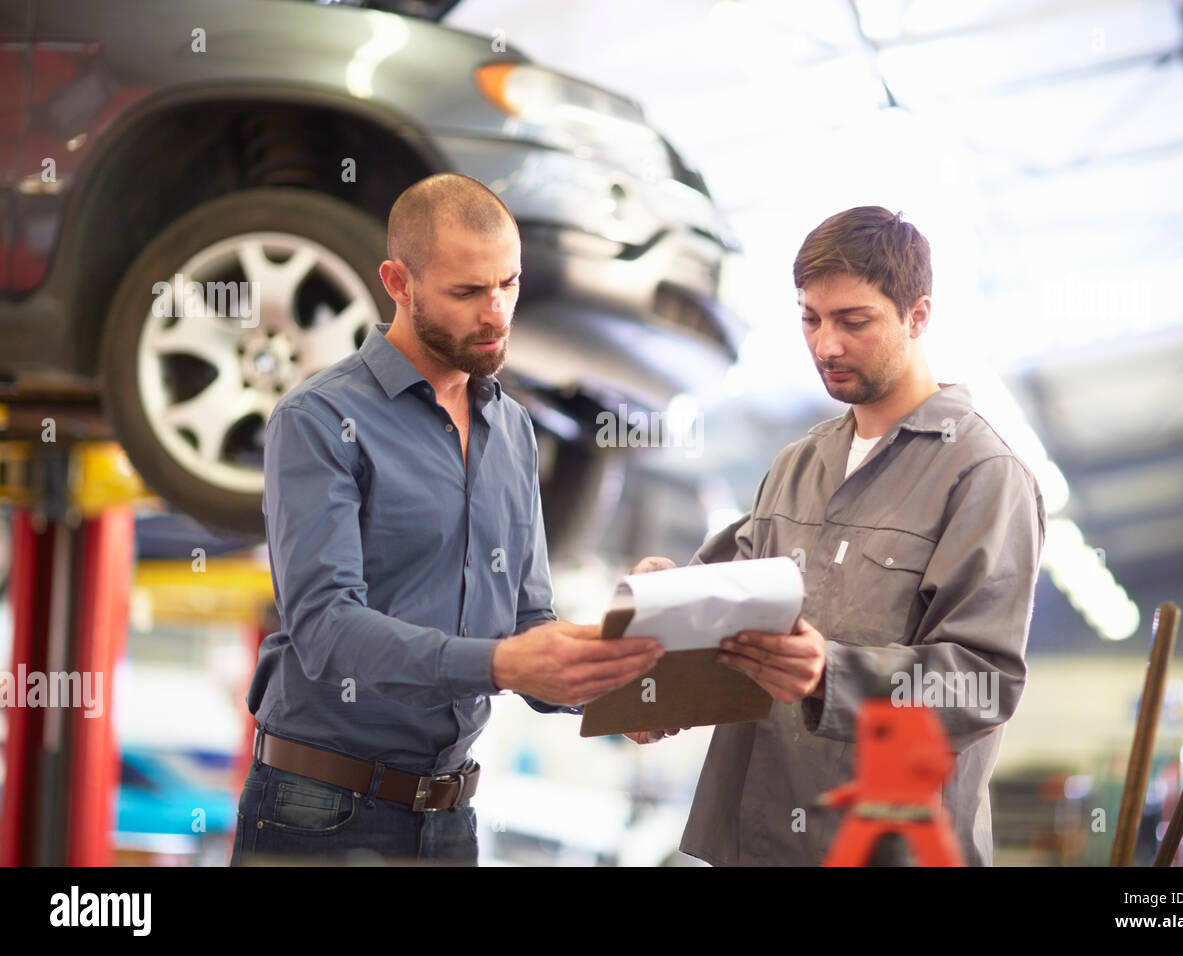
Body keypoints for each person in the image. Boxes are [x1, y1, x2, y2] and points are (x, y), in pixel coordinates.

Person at [230, 173, 663, 865]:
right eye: (467, 292)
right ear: (398, 282)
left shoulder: (513, 430)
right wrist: (499, 663)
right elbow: (324, 627)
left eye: (509, 284)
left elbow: (527, 623)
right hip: (319, 809)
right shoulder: (319, 420)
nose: (496, 312)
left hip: (451, 817)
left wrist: (608, 692)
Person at [632, 206, 1046, 866]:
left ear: (918, 317)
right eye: (810, 318)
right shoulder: (799, 463)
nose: (826, 344)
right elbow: (730, 619)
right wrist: (662, 642)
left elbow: (982, 684)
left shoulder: (984, 478)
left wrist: (834, 675)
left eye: (854, 321)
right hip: (757, 844)